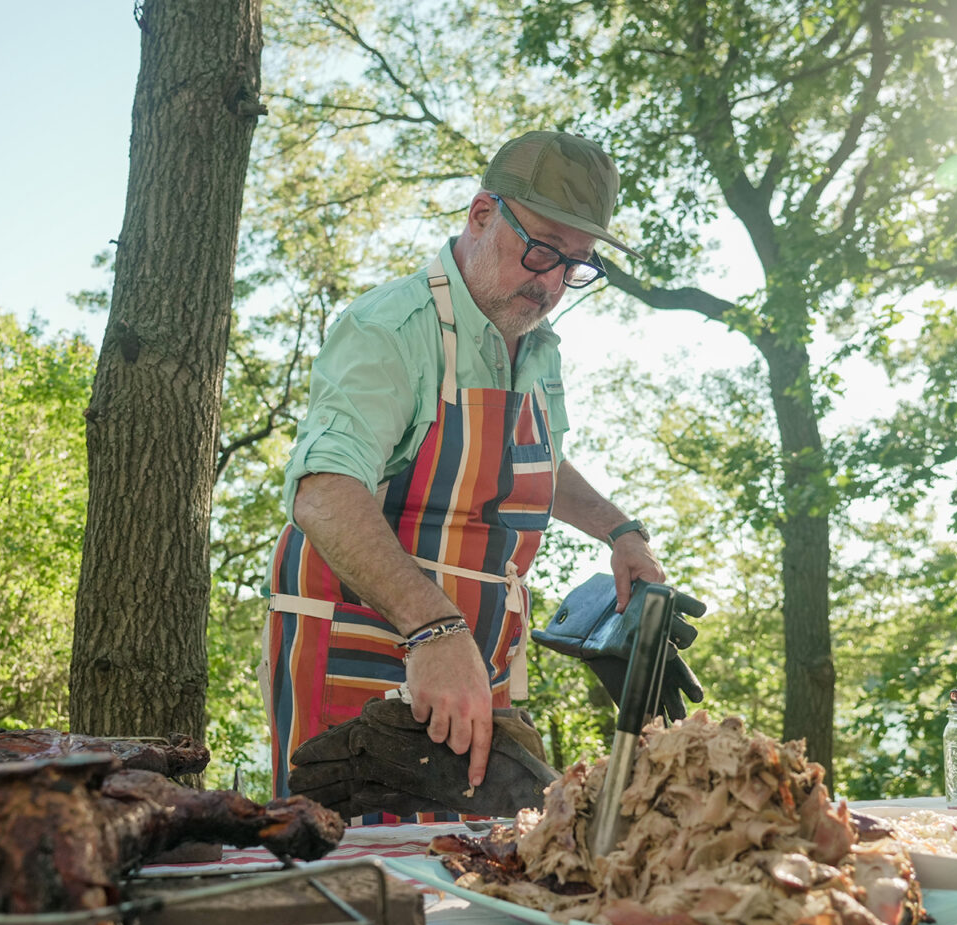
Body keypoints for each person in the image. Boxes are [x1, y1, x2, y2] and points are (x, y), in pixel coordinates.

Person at [260, 130, 665, 823]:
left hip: (479, 658)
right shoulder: (393, 328)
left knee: (482, 864)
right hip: (368, 646)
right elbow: (323, 491)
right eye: (541, 249)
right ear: (482, 215)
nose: (551, 282)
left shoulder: (534, 346)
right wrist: (433, 632)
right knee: (363, 876)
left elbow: (538, 465)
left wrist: (620, 532)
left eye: (576, 265)